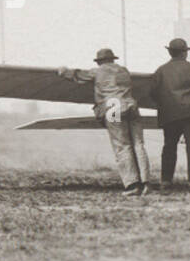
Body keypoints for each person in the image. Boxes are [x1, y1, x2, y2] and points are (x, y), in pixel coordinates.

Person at [58, 47, 150, 196]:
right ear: (113, 59)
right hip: (132, 105)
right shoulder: (124, 70)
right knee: (138, 144)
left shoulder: (98, 71)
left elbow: (77, 75)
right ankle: (146, 181)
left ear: (100, 61)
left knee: (121, 145)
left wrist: (63, 70)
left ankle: (132, 185)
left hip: (113, 106)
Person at [149, 37, 190, 191]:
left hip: (169, 114)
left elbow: (153, 93)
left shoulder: (160, 70)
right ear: (184, 53)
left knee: (169, 147)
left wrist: (166, 102)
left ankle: (166, 182)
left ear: (170, 52)